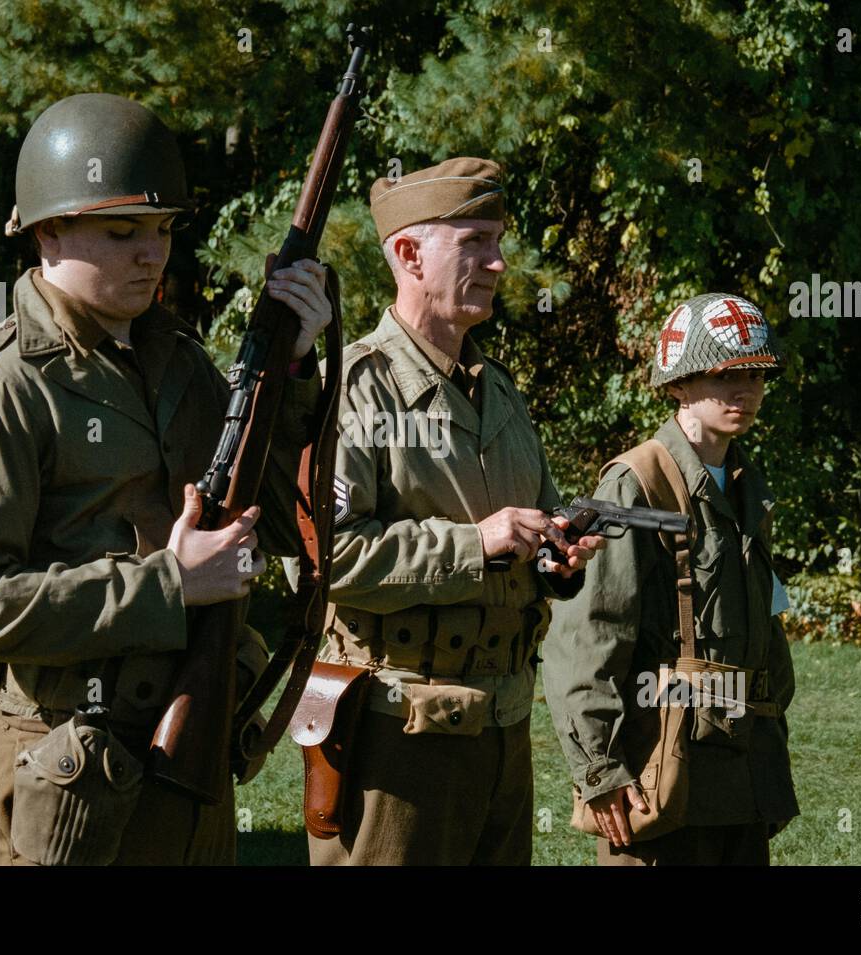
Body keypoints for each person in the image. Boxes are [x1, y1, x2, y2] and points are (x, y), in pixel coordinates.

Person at [0, 93, 331, 865]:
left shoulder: (181, 361)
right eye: (122, 232)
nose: (153, 254)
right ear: (48, 232)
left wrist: (298, 368)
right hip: (62, 773)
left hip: (191, 745)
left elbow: (282, 523)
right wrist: (169, 584)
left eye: (163, 230)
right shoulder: (0, 386)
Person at [305, 157, 603, 865]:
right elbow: (331, 556)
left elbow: (540, 523)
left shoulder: (497, 389)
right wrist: (477, 543)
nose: (499, 263)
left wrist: (559, 557)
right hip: (395, 738)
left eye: (497, 241)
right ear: (409, 253)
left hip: (502, 728)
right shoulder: (353, 389)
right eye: (476, 242)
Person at [545, 292, 799, 865]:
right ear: (678, 384)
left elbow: (766, 625)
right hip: (660, 768)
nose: (747, 389)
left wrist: (770, 743)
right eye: (726, 374)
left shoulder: (745, 484)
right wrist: (600, 769)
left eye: (758, 375)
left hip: (741, 770)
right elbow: (589, 638)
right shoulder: (637, 484)